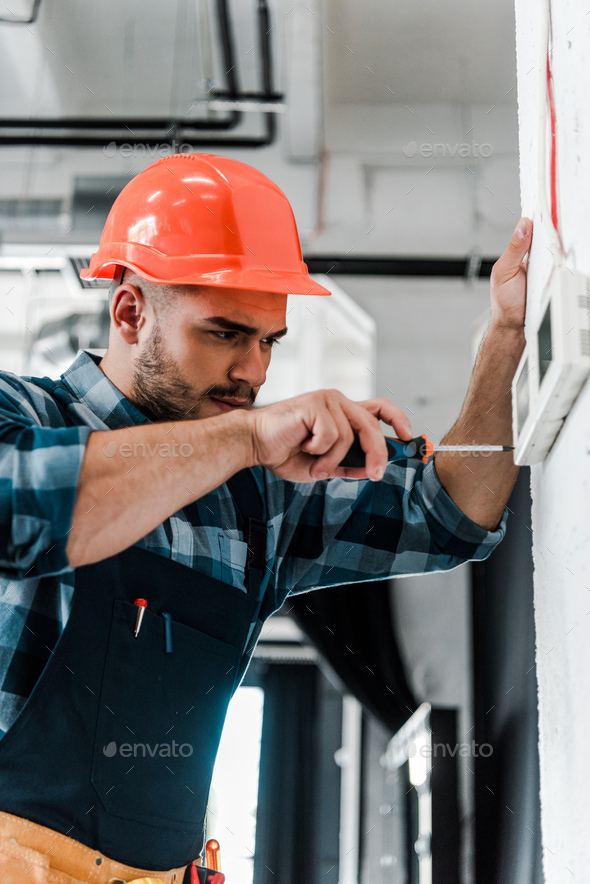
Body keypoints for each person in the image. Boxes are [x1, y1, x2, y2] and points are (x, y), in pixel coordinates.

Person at [0, 153, 532, 884]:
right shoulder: (23, 416)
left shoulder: (258, 501)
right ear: (130, 311)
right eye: (224, 333)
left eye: (268, 342)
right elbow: (23, 506)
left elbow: (453, 516)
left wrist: (504, 341)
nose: (252, 371)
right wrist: (249, 437)